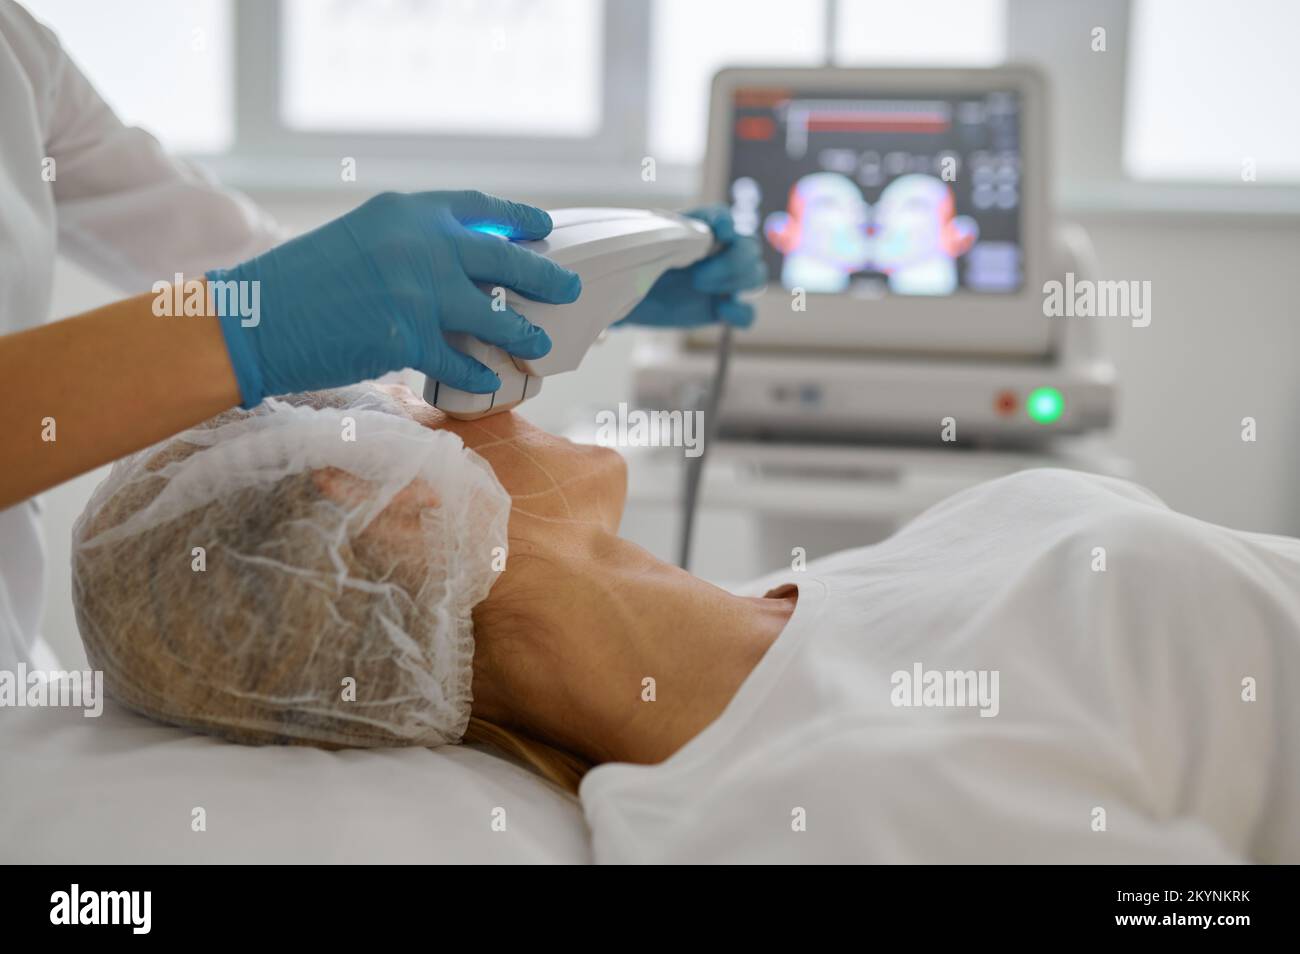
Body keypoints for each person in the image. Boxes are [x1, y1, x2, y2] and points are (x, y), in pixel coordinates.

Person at [71, 382, 1300, 863]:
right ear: (379, 512)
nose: (453, 387)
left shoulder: (860, 586)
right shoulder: (815, 806)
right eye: (396, 404)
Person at [0, 0, 765, 671]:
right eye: (393, 418)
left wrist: (576, 292)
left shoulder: (17, 47)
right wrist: (256, 321)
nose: (405, 407)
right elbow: (265, 302)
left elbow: (213, 248)